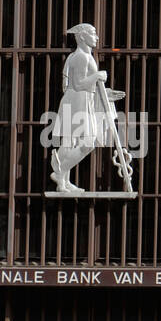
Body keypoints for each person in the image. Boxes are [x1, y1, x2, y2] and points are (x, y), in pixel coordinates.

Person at [50, 23, 119, 193]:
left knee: (72, 141)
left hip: (80, 99)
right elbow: (79, 84)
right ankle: (60, 173)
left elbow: (84, 85)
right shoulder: (82, 57)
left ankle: (63, 181)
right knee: (87, 142)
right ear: (81, 37)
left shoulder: (82, 56)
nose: (96, 37)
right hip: (77, 100)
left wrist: (106, 93)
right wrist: (97, 75)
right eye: (93, 34)